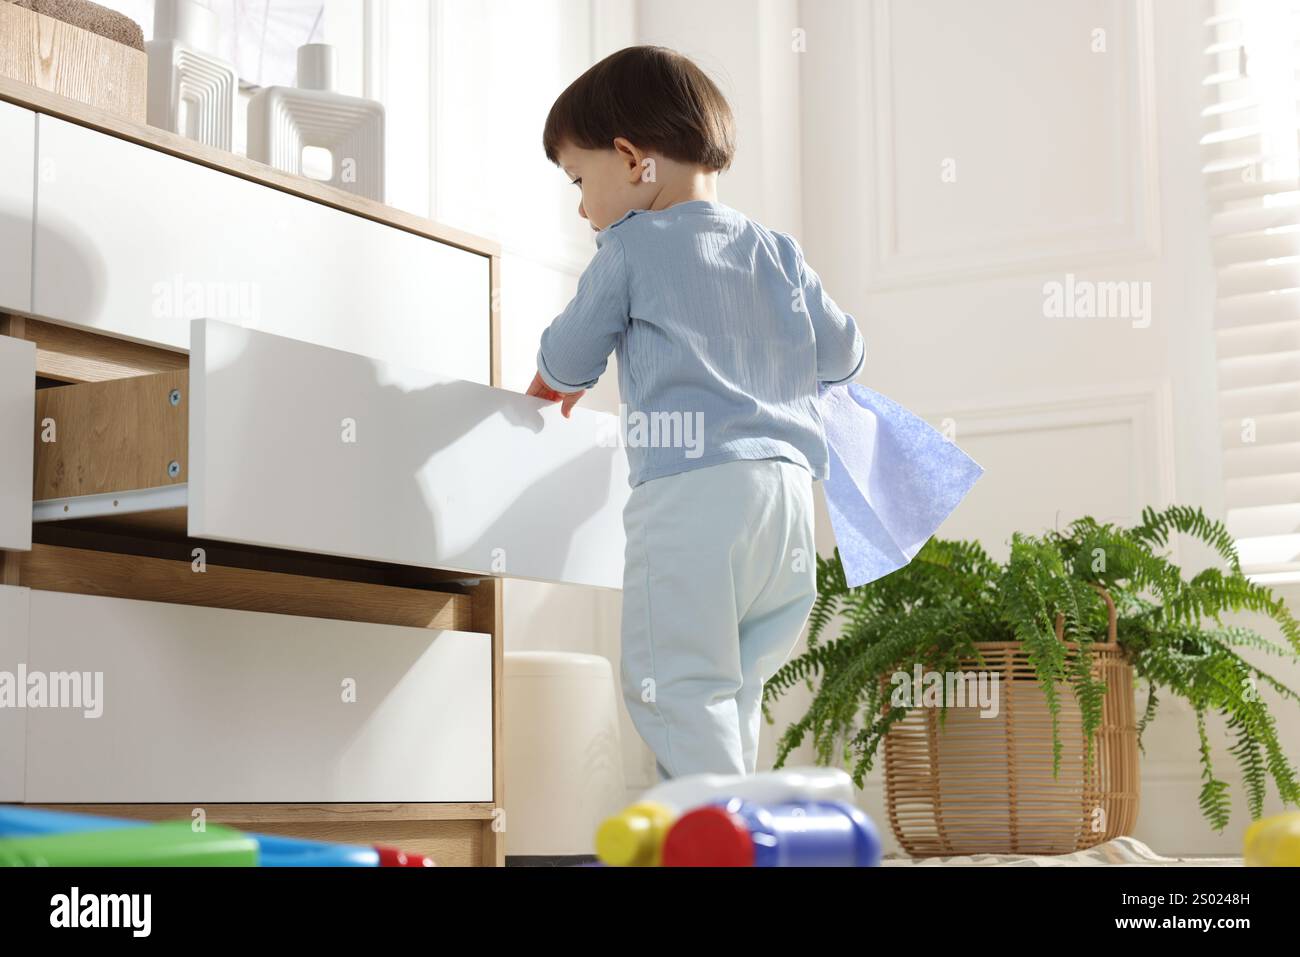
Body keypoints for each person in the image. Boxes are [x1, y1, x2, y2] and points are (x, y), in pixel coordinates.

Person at [527, 45, 864, 781]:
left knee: (678, 682)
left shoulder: (629, 248)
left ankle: (709, 842)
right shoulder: (777, 251)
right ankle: (740, 831)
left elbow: (570, 348)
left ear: (630, 157)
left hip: (693, 495)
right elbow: (843, 354)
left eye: (581, 180)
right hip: (788, 504)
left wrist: (549, 382)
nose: (583, 207)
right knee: (733, 687)